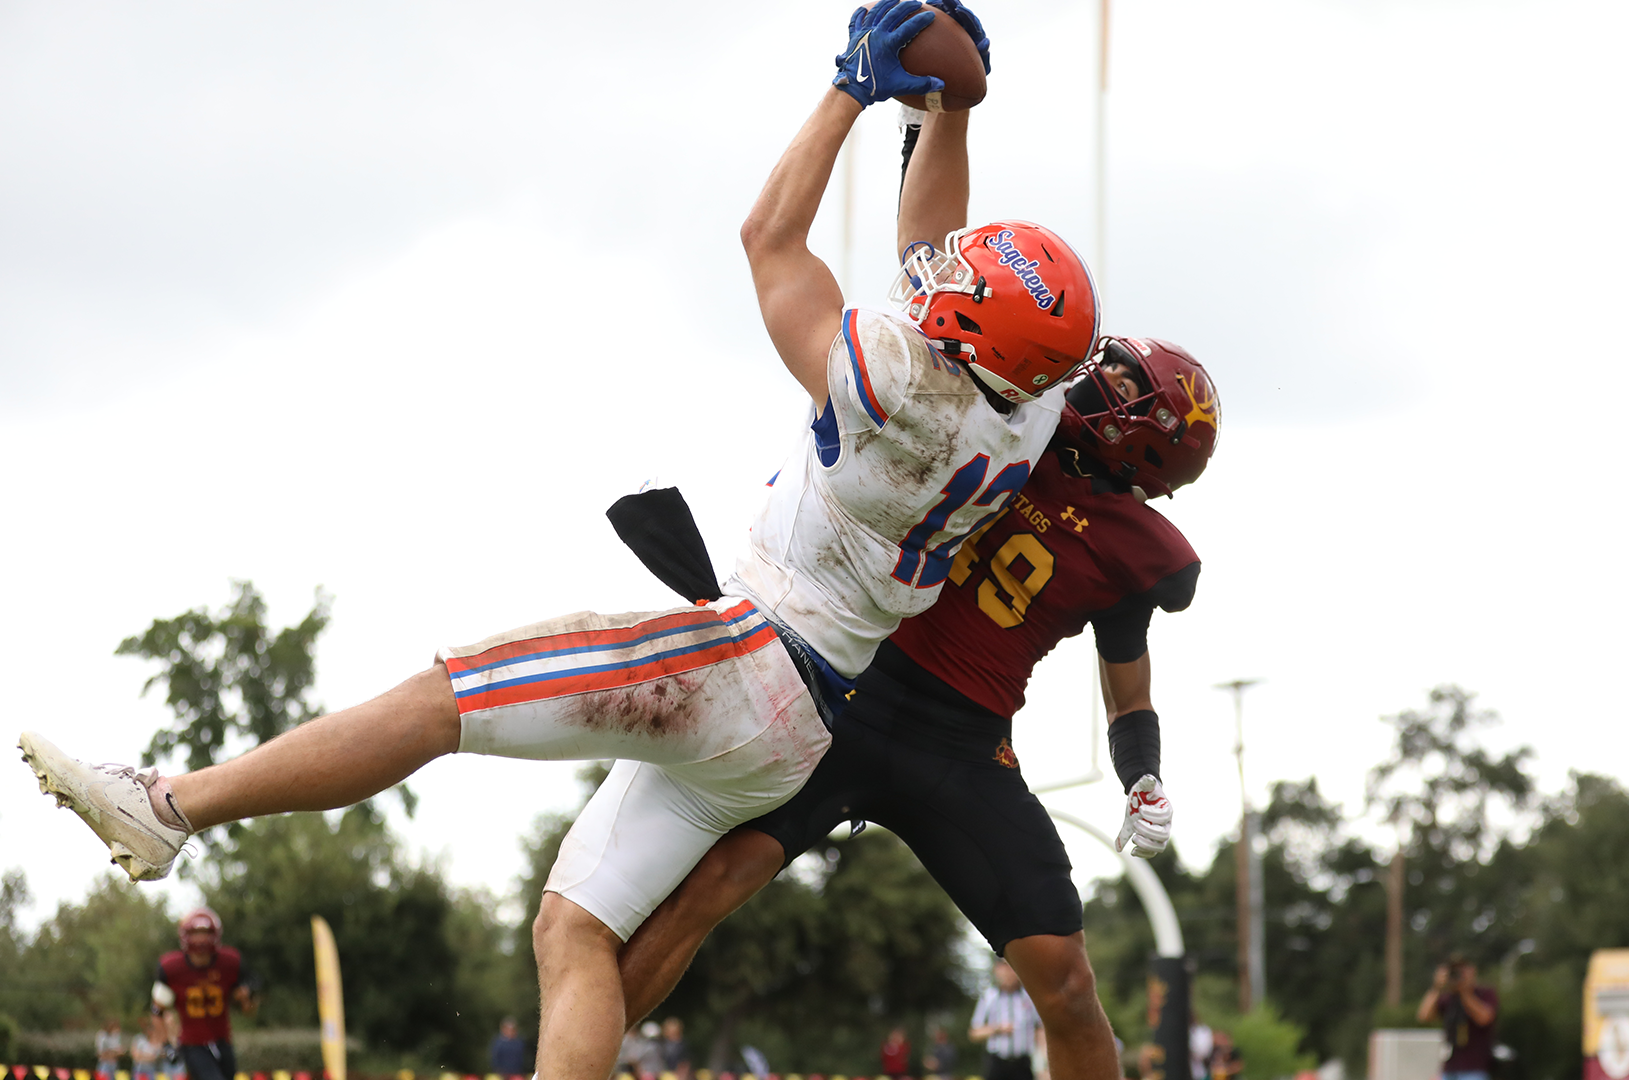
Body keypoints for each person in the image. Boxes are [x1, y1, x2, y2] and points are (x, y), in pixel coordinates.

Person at [19, 4, 1100, 1077]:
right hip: (802, 721)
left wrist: (851, 89)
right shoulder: (1027, 406)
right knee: (573, 935)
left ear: (962, 333)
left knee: (442, 700)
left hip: (744, 663)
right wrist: (950, 111)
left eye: (962, 290)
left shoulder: (888, 382)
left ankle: (168, 806)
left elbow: (770, 238)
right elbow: (932, 250)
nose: (943, 277)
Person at [600, 20, 1219, 1080]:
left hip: (959, 741)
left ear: (1144, 449)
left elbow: (1127, 677)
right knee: (701, 894)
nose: (1092, 376)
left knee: (1065, 981)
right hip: (845, 681)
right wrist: (937, 125)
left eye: (1119, 390)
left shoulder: (1141, 547)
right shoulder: (1013, 404)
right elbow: (939, 273)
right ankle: (583, 1058)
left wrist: (1145, 771)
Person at [152, 908, 257, 1080]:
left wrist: (246, 999)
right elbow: (157, 1011)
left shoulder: (230, 962)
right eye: (196, 933)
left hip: (223, 1041)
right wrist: (166, 1045)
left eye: (205, 933)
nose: (201, 939)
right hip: (192, 1044)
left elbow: (249, 1010)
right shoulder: (172, 968)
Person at [1417, 957, 1499, 1080]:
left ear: (1472, 971)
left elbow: (1484, 1018)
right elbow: (1423, 1016)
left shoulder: (1485, 993)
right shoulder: (1449, 997)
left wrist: (1464, 992)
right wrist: (1437, 987)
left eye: (1462, 970)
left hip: (1475, 1068)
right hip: (1450, 1068)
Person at [971, 961, 1042, 1080]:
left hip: (1023, 1064)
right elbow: (974, 1033)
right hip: (997, 1064)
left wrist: (1043, 1063)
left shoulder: (1029, 997)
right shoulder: (988, 996)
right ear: (996, 970)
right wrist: (996, 1029)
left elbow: (1040, 1029)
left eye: (1012, 967)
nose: (1008, 972)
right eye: (1004, 967)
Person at [131, 1012, 163, 1080]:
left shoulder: (157, 1041)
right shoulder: (138, 1039)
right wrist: (149, 1057)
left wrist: (143, 1056)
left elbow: (156, 1057)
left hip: (151, 1070)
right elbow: (136, 1056)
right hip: (139, 1069)